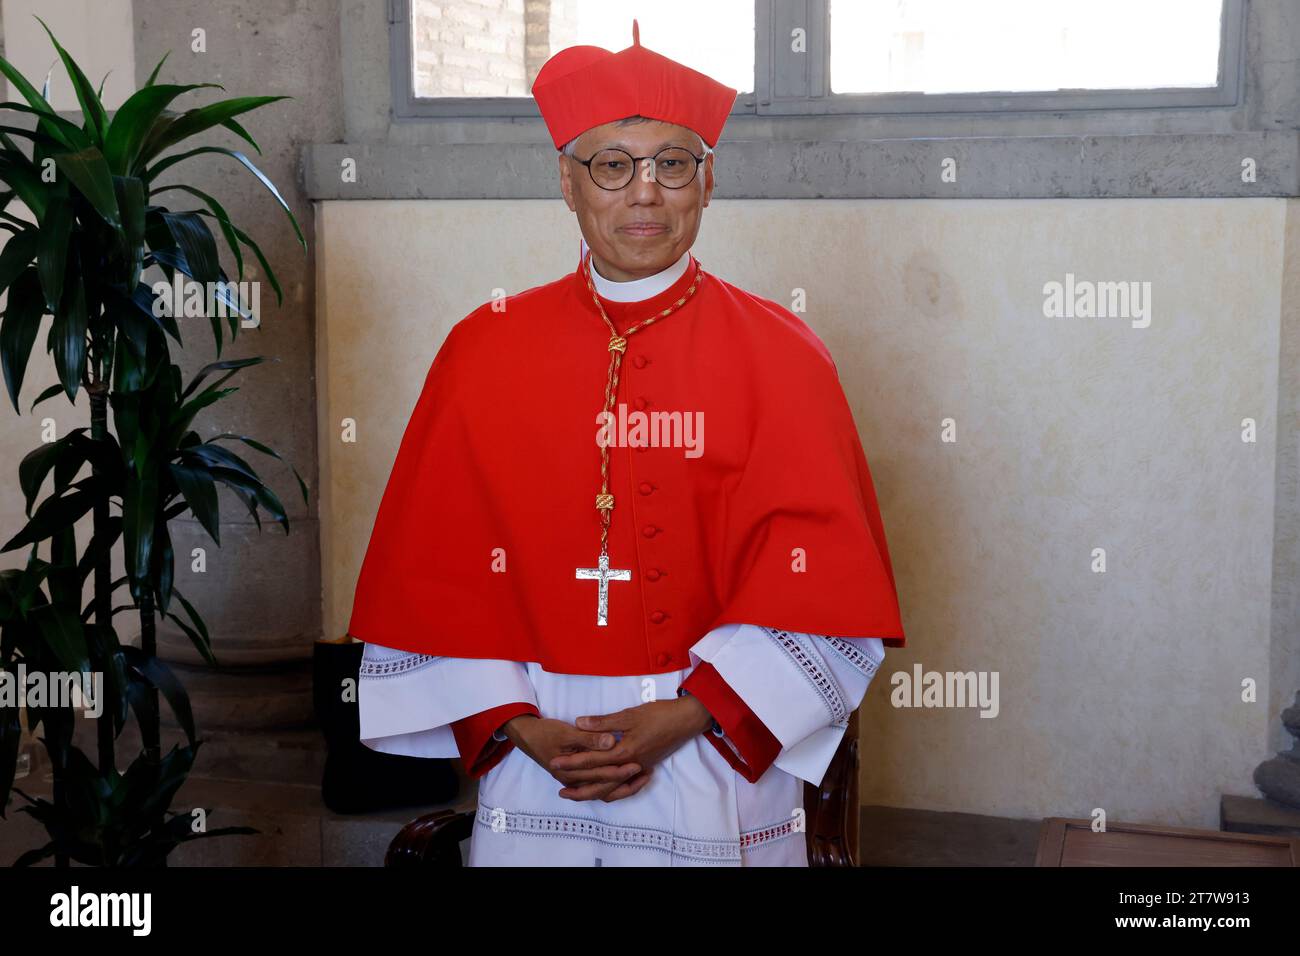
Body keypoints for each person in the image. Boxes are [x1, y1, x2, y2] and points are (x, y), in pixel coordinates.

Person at [347, 20, 906, 866]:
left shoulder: (785, 356)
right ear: (567, 185)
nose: (644, 193)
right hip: (540, 764)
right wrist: (522, 727)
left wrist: (685, 716)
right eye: (613, 165)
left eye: (671, 164)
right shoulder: (482, 348)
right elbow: (435, 573)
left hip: (716, 752)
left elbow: (823, 588)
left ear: (707, 182)